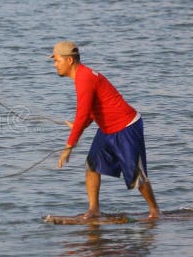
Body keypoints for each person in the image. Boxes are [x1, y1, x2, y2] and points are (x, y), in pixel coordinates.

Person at [50, 40, 160, 219]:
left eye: (57, 60)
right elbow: (91, 112)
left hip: (126, 126)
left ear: (69, 60)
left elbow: (83, 112)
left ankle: (155, 211)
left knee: (135, 176)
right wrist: (82, 125)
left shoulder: (84, 78)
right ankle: (94, 210)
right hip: (107, 128)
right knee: (92, 165)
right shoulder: (82, 77)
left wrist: (68, 147)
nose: (55, 65)